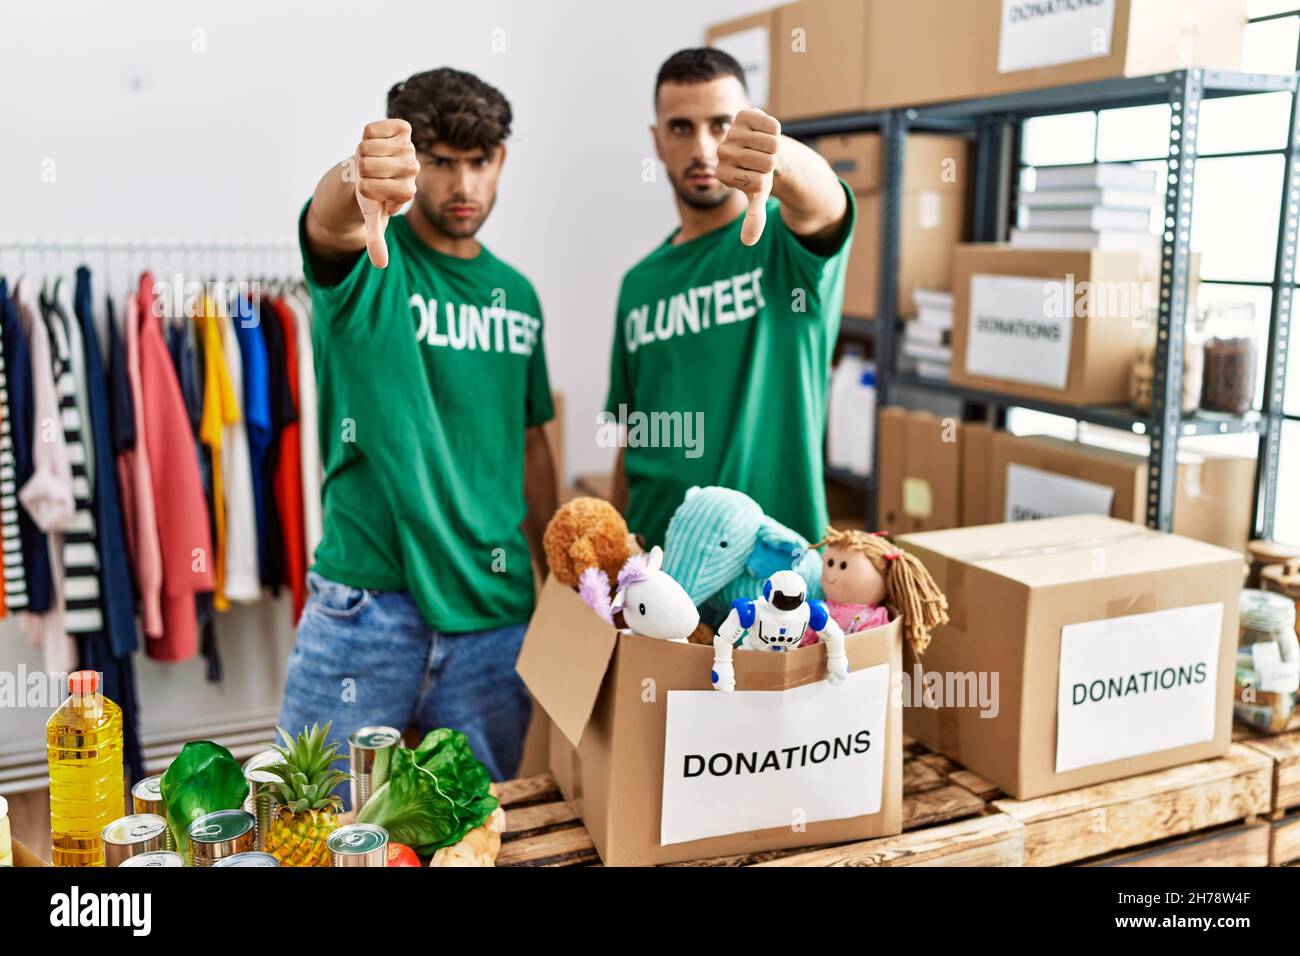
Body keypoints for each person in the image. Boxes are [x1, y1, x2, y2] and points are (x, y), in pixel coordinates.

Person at [280, 67, 557, 791]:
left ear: (501, 159)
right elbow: (329, 220)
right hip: (366, 609)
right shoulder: (371, 263)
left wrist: (560, 574)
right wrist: (356, 175)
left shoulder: (519, 297)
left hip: (495, 615)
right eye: (439, 160)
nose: (461, 182)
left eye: (479, 159)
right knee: (311, 821)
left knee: (469, 826)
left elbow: (530, 442)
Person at [606, 47, 854, 551]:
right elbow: (633, 433)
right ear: (657, 141)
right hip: (658, 573)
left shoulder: (786, 245)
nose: (703, 148)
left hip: (774, 576)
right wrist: (618, 545)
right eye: (681, 128)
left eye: (721, 125)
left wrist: (776, 156)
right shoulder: (639, 283)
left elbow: (825, 202)